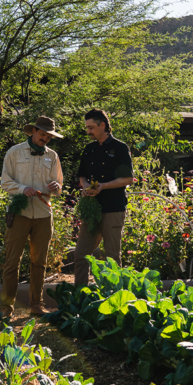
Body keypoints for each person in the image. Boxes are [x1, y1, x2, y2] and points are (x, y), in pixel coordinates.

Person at [0, 116, 63, 316]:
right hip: (19, 213)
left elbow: (59, 184)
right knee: (12, 262)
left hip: (44, 214)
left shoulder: (52, 156)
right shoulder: (14, 152)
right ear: (34, 131)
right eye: (43, 134)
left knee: (39, 262)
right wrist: (21, 188)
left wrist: (56, 187)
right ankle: (6, 308)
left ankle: (36, 305)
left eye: (49, 136)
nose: (45, 139)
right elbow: (5, 182)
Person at [73, 109, 134, 286]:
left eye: (91, 127)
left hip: (113, 208)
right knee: (81, 255)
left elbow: (128, 179)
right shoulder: (89, 149)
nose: (88, 131)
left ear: (103, 125)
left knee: (112, 256)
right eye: (86, 128)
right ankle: (80, 297)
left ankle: (114, 297)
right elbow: (82, 176)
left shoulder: (120, 148)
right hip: (92, 209)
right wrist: (86, 187)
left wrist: (103, 186)